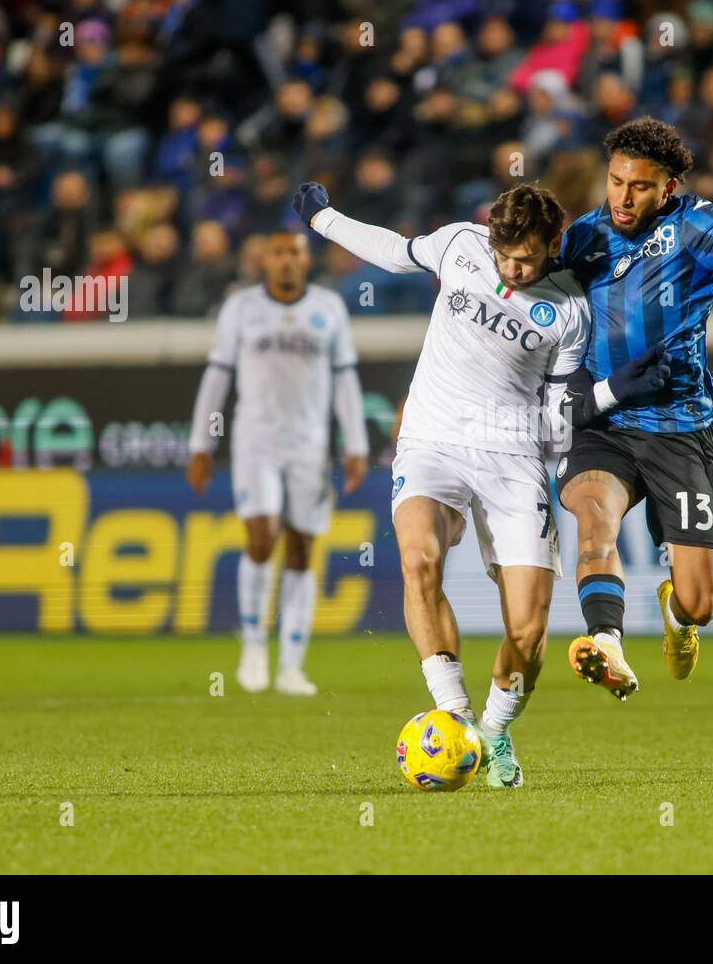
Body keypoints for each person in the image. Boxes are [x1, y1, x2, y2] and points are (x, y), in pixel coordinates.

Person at [293, 180, 667, 784]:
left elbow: (555, 421)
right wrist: (323, 218)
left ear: (552, 247)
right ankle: (455, 716)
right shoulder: (460, 244)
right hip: (432, 440)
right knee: (419, 560)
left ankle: (493, 733)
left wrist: (612, 390)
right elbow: (395, 251)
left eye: (528, 258)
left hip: (514, 456)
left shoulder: (570, 307)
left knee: (528, 624)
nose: (515, 268)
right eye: (506, 255)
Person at [556, 116, 713, 699]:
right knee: (594, 524)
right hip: (606, 420)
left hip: (679, 428)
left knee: (703, 602)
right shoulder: (583, 237)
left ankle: (677, 615)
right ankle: (608, 646)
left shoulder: (697, 225)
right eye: (615, 181)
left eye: (640, 186)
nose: (623, 197)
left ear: (668, 186)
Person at [186, 230, 369, 696]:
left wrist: (356, 445)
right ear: (264, 261)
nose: (287, 261)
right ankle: (252, 645)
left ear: (307, 262)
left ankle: (290, 665)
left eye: (295, 253)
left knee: (301, 551)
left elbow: (346, 379)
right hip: (255, 441)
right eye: (278, 253)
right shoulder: (241, 308)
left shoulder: (328, 307)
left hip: (309, 444)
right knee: (262, 537)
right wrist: (201, 443)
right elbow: (217, 377)